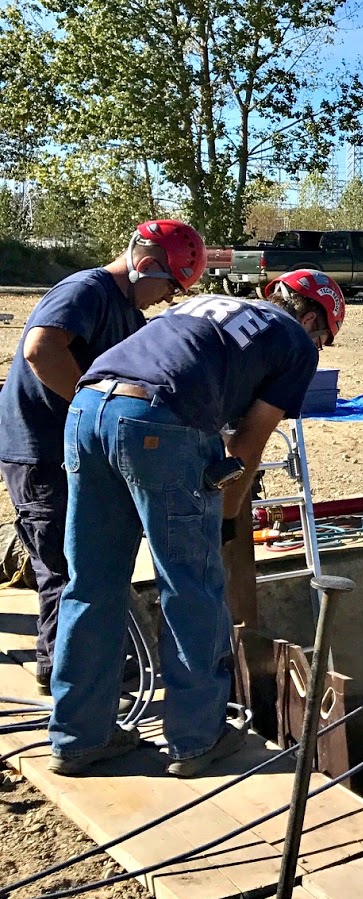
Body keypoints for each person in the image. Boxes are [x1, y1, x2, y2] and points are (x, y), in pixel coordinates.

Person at [49, 268, 342, 777]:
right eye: (323, 334)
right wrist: (227, 518)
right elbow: (248, 441)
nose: (318, 343)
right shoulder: (295, 341)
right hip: (162, 425)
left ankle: (78, 737)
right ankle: (197, 738)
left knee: (90, 582)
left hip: (88, 408)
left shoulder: (203, 305)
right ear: (312, 316)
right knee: (193, 584)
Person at [0, 220, 204, 696]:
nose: (167, 297)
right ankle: (63, 679)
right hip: (40, 449)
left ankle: (83, 670)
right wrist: (92, 410)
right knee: (62, 565)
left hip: (76, 451)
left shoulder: (129, 314)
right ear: (146, 265)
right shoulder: (85, 290)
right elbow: (40, 348)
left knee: (88, 559)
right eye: (169, 285)